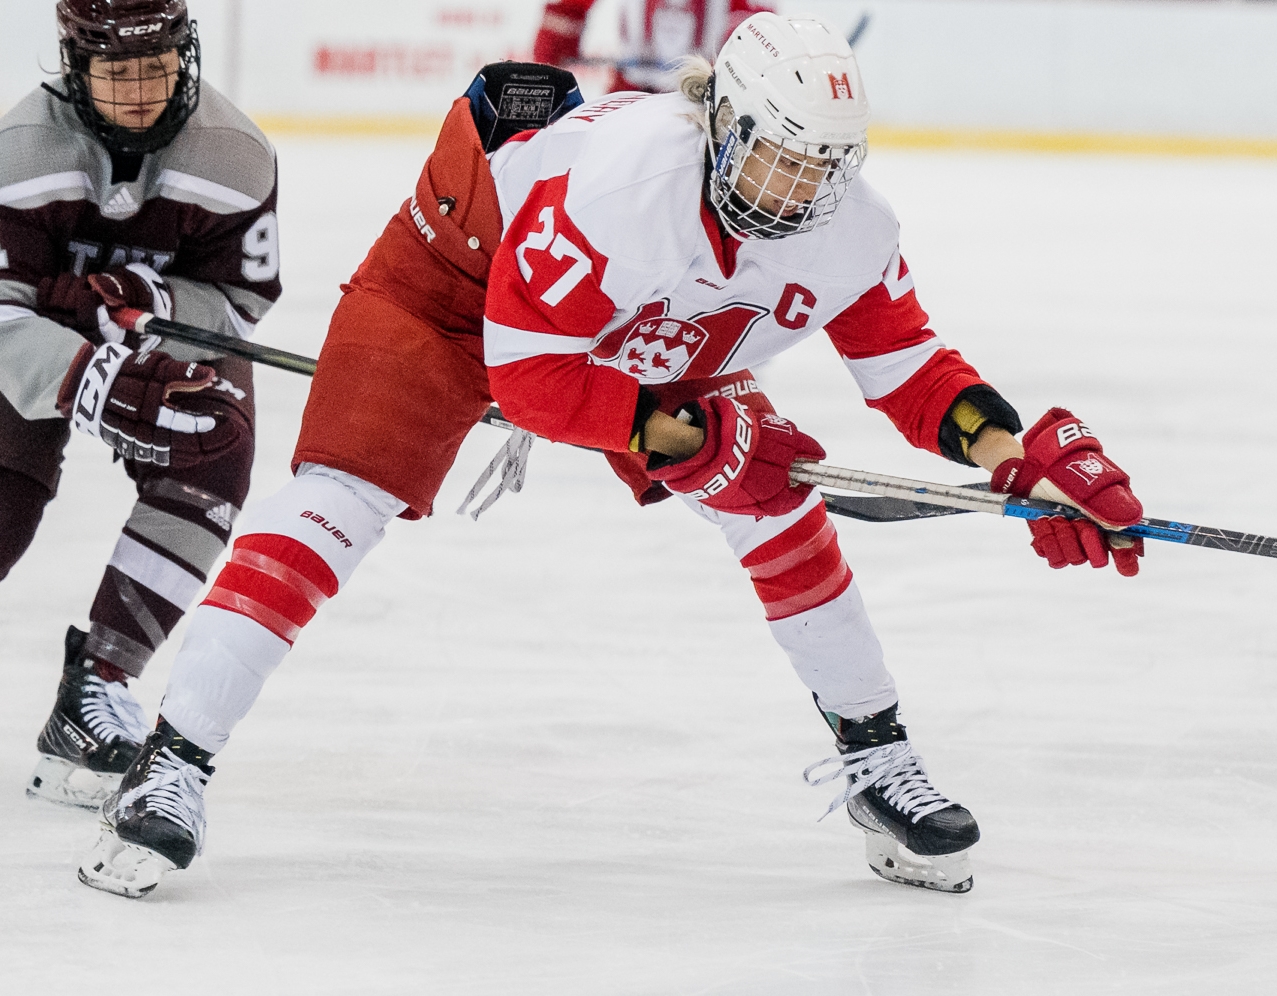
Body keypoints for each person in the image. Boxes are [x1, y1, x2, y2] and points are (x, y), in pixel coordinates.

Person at [77, 14, 1143, 900]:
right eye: (774, 152)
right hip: (455, 291)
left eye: (819, 165)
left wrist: (1017, 460)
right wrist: (698, 437)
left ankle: (876, 757)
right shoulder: (630, 184)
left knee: (781, 514)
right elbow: (535, 381)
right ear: (720, 121)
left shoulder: (850, 230)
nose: (791, 190)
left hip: (634, 318)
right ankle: (170, 766)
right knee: (337, 505)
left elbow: (914, 371)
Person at [0, 0, 279, 811]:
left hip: (160, 333)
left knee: (214, 444)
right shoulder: (20, 153)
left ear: (184, 54)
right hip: (37, 342)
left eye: (154, 65)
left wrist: (151, 295)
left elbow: (238, 307)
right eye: (116, 69)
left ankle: (98, 686)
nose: (138, 90)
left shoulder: (235, 154)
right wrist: (92, 376)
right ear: (75, 63)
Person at [533, 0, 776, 94]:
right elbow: (564, 11)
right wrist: (547, 71)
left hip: (700, 100)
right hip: (630, 93)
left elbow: (756, 32)